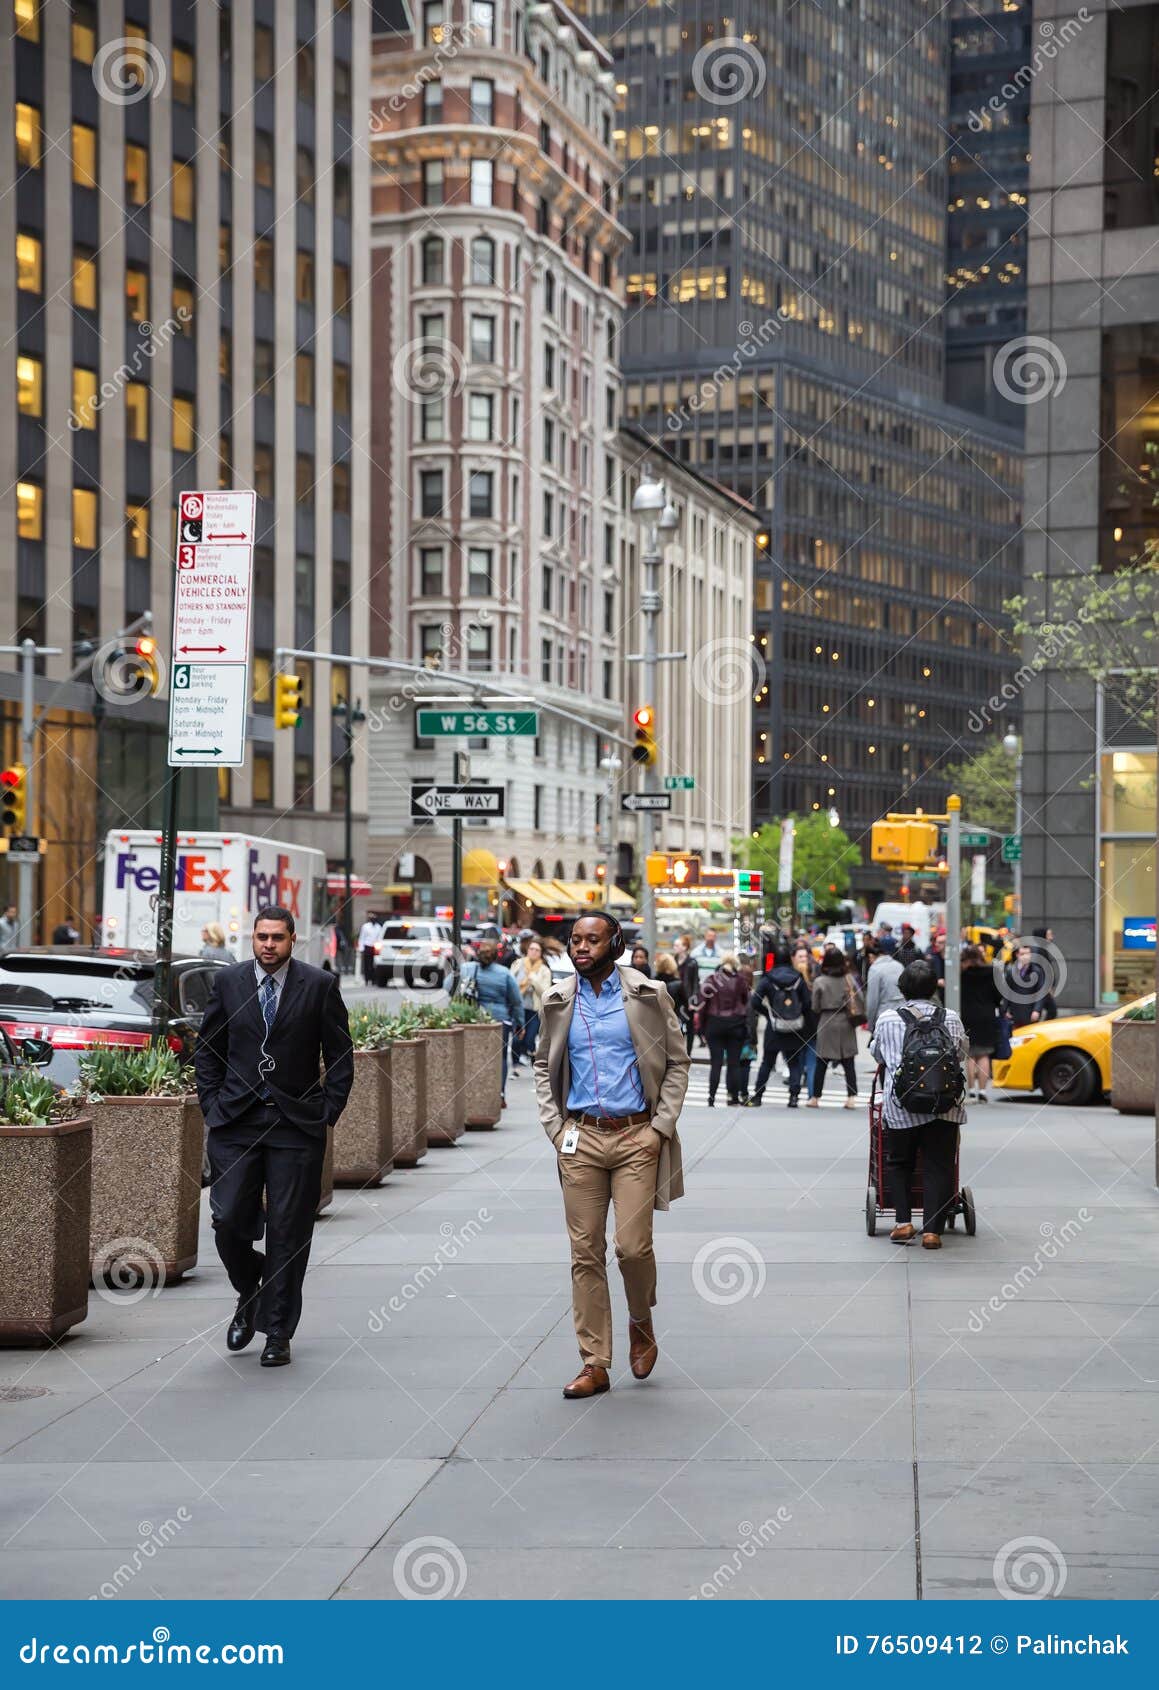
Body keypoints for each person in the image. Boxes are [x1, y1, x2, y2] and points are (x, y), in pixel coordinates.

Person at [533, 911, 689, 1400]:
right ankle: (594, 1362)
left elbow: (679, 1063)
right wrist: (556, 1129)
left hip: (635, 1140)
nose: (581, 948)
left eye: (592, 940)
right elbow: (543, 1065)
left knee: (632, 1247)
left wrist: (660, 1128)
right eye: (575, 940)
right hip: (580, 1139)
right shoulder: (557, 1001)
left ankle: (640, 1320)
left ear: (614, 943)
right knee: (585, 1254)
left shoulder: (648, 995)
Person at [193, 905, 354, 1367]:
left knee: (289, 1230)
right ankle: (251, 1289)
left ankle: (278, 1332)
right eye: (261, 937)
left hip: (295, 1126)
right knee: (226, 1221)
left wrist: (328, 1110)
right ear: (253, 939)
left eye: (277, 938)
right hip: (236, 1122)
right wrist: (212, 1104)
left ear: (292, 939)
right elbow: (209, 1048)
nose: (268, 945)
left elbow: (340, 1055)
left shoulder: (319, 986)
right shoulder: (229, 983)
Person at [870, 960, 968, 1249]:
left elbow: (879, 1056)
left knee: (900, 1162)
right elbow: (961, 1054)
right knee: (939, 1165)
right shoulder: (950, 1018)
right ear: (933, 987)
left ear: (902, 989)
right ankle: (932, 1231)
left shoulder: (888, 1019)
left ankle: (903, 1222)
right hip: (944, 1105)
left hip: (902, 1106)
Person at [747, 943, 812, 1106]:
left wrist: (768, 1015)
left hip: (774, 1027)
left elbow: (755, 1001)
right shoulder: (798, 977)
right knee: (794, 1062)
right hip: (794, 1027)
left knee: (767, 1062)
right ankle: (793, 1097)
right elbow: (807, 1002)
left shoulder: (768, 978)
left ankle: (758, 1096)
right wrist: (797, 1015)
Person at [471, 939, 525, 1103]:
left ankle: (477, 1092)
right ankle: (499, 1093)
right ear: (496, 955)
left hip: (475, 1019)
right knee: (500, 1058)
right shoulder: (504, 973)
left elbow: (447, 985)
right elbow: (516, 1001)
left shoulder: (469, 969)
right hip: (500, 1021)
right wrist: (519, 1023)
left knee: (475, 1057)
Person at [809, 944, 862, 1108]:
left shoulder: (819, 981)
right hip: (846, 1021)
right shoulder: (849, 979)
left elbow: (815, 1007)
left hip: (826, 1020)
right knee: (848, 1062)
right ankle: (851, 1097)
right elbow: (860, 998)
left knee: (821, 1062)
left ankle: (815, 1098)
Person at [700, 951, 751, 1107]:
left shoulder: (711, 980)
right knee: (733, 1063)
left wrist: (701, 1028)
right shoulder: (741, 981)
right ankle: (732, 1097)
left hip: (714, 1023)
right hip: (735, 1023)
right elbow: (746, 1002)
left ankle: (712, 1096)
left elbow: (703, 1005)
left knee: (716, 1063)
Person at [960, 942, 1003, 1101]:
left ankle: (970, 1090)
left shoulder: (961, 975)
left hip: (967, 1016)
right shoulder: (991, 972)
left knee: (970, 1055)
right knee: (984, 1055)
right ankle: (983, 1091)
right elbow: (998, 996)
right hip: (986, 1016)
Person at [511, 937, 552, 1070]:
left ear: (540, 953)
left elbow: (545, 991)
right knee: (517, 1038)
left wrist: (534, 980)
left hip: (535, 1009)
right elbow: (510, 982)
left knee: (530, 1038)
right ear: (527, 950)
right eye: (531, 949)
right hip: (519, 1007)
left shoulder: (544, 970)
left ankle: (528, 1054)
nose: (533, 952)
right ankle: (515, 1063)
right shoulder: (518, 964)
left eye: (537, 950)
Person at [866, 935, 904, 1033]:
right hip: (902, 1015)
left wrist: (870, 1024)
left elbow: (872, 1001)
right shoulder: (899, 966)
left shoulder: (874, 969)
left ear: (871, 956)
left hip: (883, 1016)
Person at [1006, 942, 1048, 1027]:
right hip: (1014, 1012)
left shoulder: (1037, 971)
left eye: (1028, 954)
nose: (1025, 956)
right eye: (1022, 954)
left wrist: (1037, 1010)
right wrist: (1005, 1009)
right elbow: (1007, 992)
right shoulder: (1011, 971)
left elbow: (1041, 992)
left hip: (1030, 1012)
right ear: (1017, 955)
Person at [672, 934, 701, 1053]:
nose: (675, 947)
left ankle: (688, 1052)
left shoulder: (692, 962)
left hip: (687, 998)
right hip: (675, 998)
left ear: (685, 947)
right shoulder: (673, 961)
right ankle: (677, 1050)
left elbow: (695, 983)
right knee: (676, 1025)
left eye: (677, 945)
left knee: (689, 1026)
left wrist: (693, 1000)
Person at [1030, 928, 1059, 1019]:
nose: (1051, 938)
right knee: (1051, 1010)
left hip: (1042, 987)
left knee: (1042, 1010)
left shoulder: (1041, 948)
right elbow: (1041, 970)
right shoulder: (1038, 949)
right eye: (1049, 935)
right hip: (1042, 987)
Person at [357, 912, 382, 986]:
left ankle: (374, 979)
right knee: (367, 964)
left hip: (375, 947)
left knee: (374, 964)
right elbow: (362, 937)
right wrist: (361, 948)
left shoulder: (378, 927)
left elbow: (379, 938)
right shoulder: (365, 926)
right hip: (367, 946)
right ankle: (367, 980)